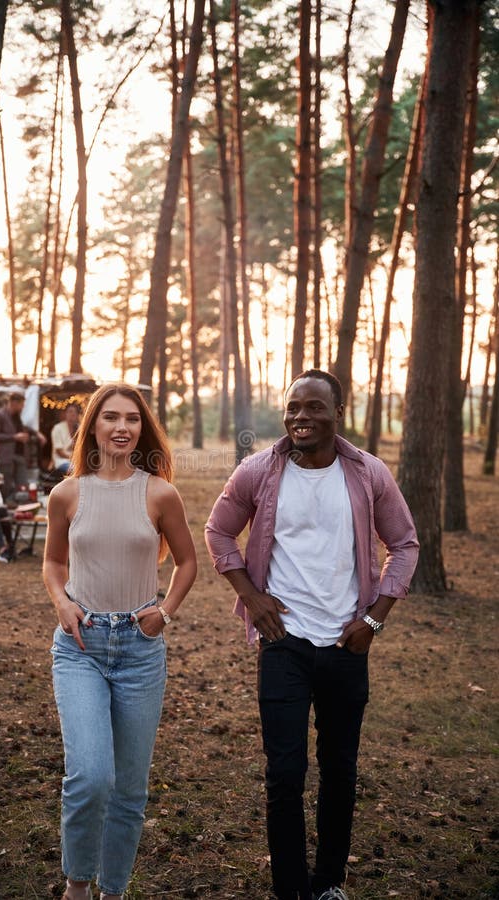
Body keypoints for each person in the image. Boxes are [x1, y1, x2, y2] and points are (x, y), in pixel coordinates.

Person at [205, 369, 419, 900]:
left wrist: (373, 620)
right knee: (284, 773)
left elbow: (405, 544)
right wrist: (252, 599)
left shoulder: (369, 473)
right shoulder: (258, 470)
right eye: (293, 407)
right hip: (285, 642)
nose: (302, 416)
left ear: (337, 413)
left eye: (314, 407)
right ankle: (289, 888)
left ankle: (328, 884)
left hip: (348, 643)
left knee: (340, 771)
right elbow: (217, 532)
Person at [43, 383, 197, 900]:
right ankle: (77, 886)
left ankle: (113, 891)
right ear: (93, 427)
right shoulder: (67, 493)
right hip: (81, 647)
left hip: (139, 649)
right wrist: (62, 603)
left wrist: (165, 613)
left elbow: (188, 561)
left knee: (129, 789)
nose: (121, 427)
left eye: (131, 418)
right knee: (90, 777)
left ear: (142, 428)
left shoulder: (159, 492)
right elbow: (53, 562)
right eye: (110, 417)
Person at [0, 391, 46, 500]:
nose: (22, 407)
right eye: (21, 405)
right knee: (6, 485)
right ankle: (5, 507)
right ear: (14, 403)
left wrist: (36, 433)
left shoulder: (16, 416)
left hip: (20, 455)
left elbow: (23, 427)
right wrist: (15, 437)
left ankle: (20, 505)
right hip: (6, 456)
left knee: (22, 485)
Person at [51, 402, 80, 475]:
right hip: (62, 461)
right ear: (65, 414)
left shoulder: (79, 428)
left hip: (77, 460)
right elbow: (60, 452)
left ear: (77, 415)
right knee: (77, 470)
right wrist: (76, 458)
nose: (72, 414)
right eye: (70, 411)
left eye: (75, 412)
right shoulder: (58, 428)